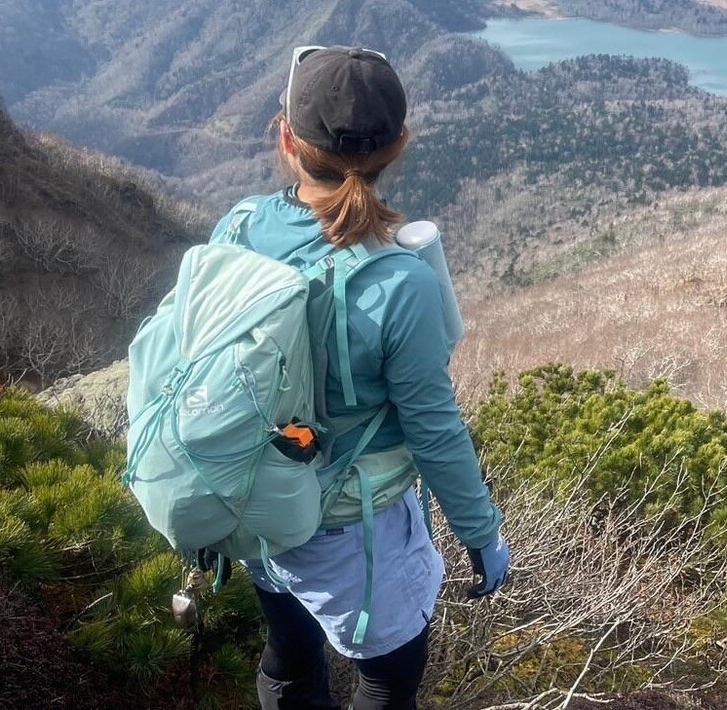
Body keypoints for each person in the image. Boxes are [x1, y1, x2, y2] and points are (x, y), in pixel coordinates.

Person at [210, 45, 509, 710]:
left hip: (257, 504)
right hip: (350, 530)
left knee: (289, 655)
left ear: (287, 139)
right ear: (397, 148)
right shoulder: (400, 282)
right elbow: (434, 431)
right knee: (384, 682)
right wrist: (480, 532)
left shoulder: (240, 226)